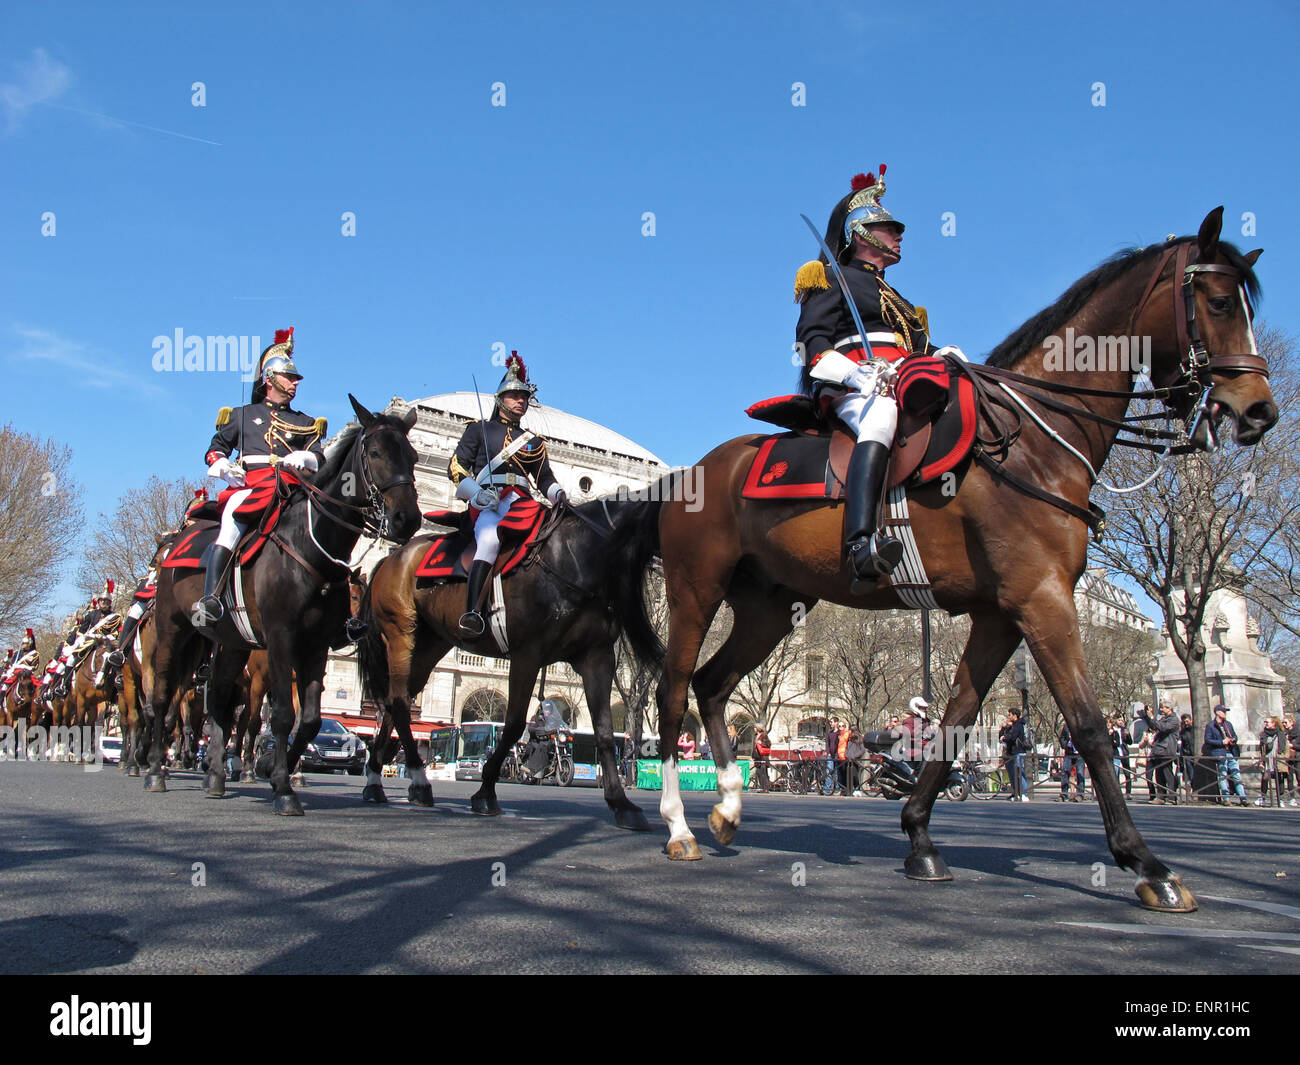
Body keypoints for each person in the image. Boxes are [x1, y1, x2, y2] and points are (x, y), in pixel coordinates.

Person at [795, 167, 963, 589]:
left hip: (901, 378)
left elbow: (918, 349)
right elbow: (811, 340)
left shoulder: (899, 298)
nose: (898, 235)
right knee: (881, 416)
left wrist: (943, 354)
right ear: (860, 232)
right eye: (889, 228)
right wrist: (851, 373)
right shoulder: (831, 277)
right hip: (855, 386)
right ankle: (860, 546)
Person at [200, 329, 326, 625]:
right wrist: (223, 466)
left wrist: (307, 457)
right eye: (290, 377)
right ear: (269, 379)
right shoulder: (242, 415)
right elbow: (216, 448)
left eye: (296, 379)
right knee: (230, 526)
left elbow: (319, 457)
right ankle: (211, 599)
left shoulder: (306, 423)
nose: (295, 383)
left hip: (292, 486)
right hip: (251, 485)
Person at [448, 353, 568, 637]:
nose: (520, 401)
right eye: (514, 396)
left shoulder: (532, 441)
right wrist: (475, 494)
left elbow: (543, 478)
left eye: (524, 397)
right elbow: (456, 466)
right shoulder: (478, 430)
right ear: (500, 399)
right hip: (488, 501)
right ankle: (473, 612)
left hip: (523, 501)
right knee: (489, 539)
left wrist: (558, 494)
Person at [1203, 704, 1248, 806]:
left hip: (1231, 752)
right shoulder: (1211, 725)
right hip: (1220, 752)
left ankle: (1243, 798)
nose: (1225, 713)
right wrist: (1221, 742)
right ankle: (1226, 798)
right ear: (1217, 712)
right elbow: (1208, 740)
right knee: (1222, 775)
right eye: (1223, 711)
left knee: (1236, 775)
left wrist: (1233, 740)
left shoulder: (1228, 724)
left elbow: (1235, 736)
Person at [1148, 703, 1180, 804]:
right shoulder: (1163, 718)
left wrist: (1153, 717)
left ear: (1169, 708)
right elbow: (1155, 726)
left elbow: (1163, 728)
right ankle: (1161, 796)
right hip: (1159, 750)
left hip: (1167, 750)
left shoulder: (1174, 719)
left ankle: (1172, 797)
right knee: (1159, 774)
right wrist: (1147, 717)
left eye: (1163, 708)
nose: (1161, 709)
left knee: (1168, 774)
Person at [999, 708, 1029, 801]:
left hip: (1018, 751)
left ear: (1015, 716)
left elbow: (1012, 737)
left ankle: (1024, 794)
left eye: (1010, 715)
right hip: (1010, 752)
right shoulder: (1010, 726)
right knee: (1012, 774)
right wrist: (1005, 727)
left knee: (1020, 772)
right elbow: (1001, 735)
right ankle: (1015, 793)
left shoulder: (1018, 725)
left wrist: (1004, 738)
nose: (1008, 717)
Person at [1256, 716, 1283, 807]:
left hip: (1277, 759)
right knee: (1265, 779)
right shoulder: (1263, 734)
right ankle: (1263, 798)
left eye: (1268, 722)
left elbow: (1283, 746)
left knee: (1279, 779)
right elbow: (1261, 749)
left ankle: (1280, 799)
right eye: (1265, 722)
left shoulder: (1280, 734)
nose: (1266, 724)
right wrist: (1261, 761)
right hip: (1267, 759)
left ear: (1274, 723)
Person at [1058, 724, 1088, 802]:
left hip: (1079, 754)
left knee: (1080, 773)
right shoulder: (1066, 726)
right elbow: (1062, 738)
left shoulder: (1081, 725)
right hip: (1069, 752)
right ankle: (1064, 794)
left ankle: (1080, 794)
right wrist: (1065, 745)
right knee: (1065, 772)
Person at [1108, 714, 1133, 797]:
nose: (1121, 722)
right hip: (1115, 753)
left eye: (1122, 721)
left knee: (1127, 773)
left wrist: (1128, 735)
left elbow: (1130, 742)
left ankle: (1128, 792)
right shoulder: (1111, 730)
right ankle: (1117, 792)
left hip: (1124, 753)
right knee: (1116, 772)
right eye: (1119, 720)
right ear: (1115, 721)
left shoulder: (1124, 730)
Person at [1178, 713, 1196, 801]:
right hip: (1187, 755)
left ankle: (1193, 790)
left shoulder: (1194, 730)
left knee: (1193, 774)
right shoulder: (1183, 731)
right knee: (1190, 774)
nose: (1186, 723)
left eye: (1187, 721)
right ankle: (1190, 791)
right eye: (1184, 721)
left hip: (1193, 754)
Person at [1282, 712, 1299, 807]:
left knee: (1299, 777)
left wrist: (1293, 746)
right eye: (1283, 722)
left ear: (1292, 722)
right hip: (1288, 758)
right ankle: (1291, 798)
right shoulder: (1284, 733)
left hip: (1297, 757)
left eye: (1286, 722)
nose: (1284, 724)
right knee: (1289, 778)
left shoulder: (1298, 732)